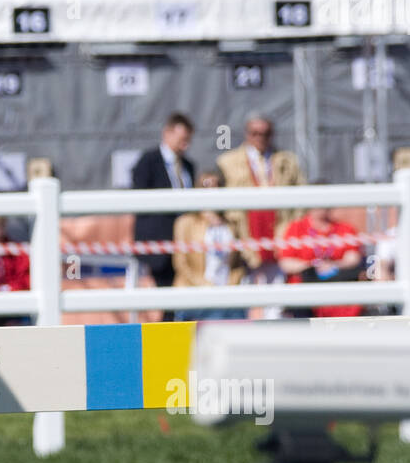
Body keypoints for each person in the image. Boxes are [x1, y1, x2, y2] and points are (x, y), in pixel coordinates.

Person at [216, 115, 306, 316]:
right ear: (247, 134)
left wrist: (291, 230)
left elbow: (302, 197)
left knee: (278, 298)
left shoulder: (287, 160)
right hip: (245, 235)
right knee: (246, 293)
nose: (260, 138)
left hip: (278, 232)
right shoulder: (228, 162)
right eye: (255, 133)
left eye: (265, 133)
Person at [172, 169, 256, 321]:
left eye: (218, 185)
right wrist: (205, 286)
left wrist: (232, 283)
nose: (212, 189)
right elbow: (181, 263)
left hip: (227, 295)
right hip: (195, 296)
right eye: (206, 185)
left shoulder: (232, 224)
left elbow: (242, 261)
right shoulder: (186, 223)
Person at [131, 113, 195, 293]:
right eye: (182, 139)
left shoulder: (188, 165)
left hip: (185, 243)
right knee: (165, 292)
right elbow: (139, 200)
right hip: (159, 244)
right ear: (167, 133)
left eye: (188, 139)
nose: (186, 144)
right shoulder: (148, 162)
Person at [277, 196, 365, 318]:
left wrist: (333, 265)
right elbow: (286, 263)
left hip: (338, 291)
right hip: (304, 292)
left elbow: (353, 258)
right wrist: (312, 266)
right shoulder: (296, 228)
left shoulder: (345, 229)